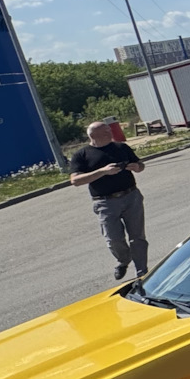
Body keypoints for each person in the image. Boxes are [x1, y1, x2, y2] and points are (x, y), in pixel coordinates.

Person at [69, 120, 148, 281]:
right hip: (105, 202)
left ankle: (142, 272)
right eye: (105, 132)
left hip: (131, 196)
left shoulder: (121, 147)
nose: (110, 133)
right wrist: (103, 172)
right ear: (93, 135)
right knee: (113, 239)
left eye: (109, 130)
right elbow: (75, 181)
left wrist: (137, 167)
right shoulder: (82, 155)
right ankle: (124, 260)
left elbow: (140, 164)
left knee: (137, 236)